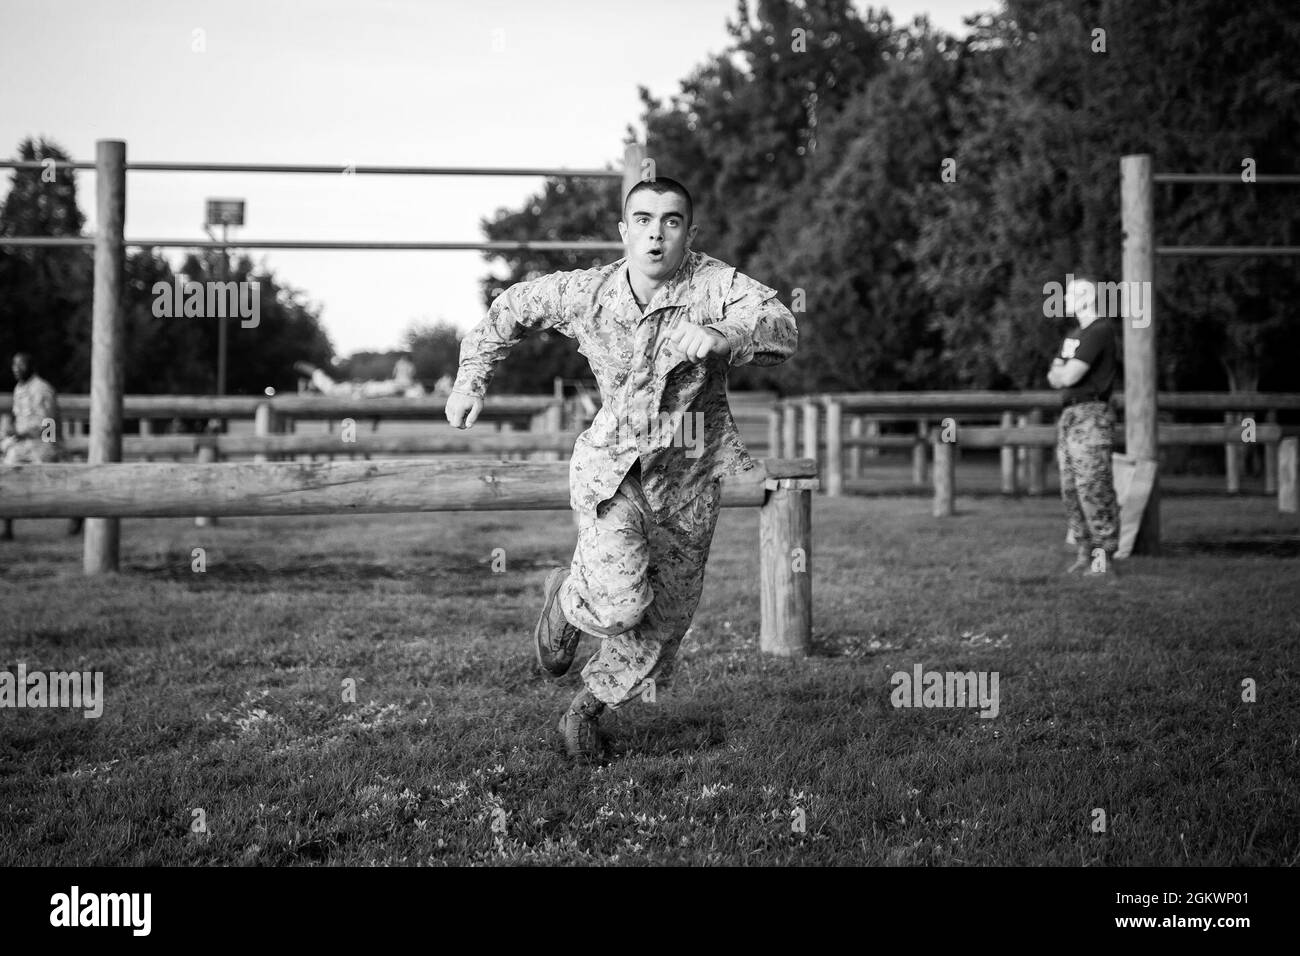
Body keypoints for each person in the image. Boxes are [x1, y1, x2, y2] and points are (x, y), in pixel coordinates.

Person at [446, 176, 798, 762]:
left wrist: (722, 334)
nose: (656, 233)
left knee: (664, 621)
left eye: (671, 221)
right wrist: (469, 380)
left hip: (688, 480)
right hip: (613, 472)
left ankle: (585, 712)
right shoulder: (588, 292)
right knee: (620, 604)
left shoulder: (715, 286)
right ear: (623, 230)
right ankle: (568, 601)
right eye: (642, 219)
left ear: (689, 231)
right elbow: (510, 308)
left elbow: (782, 325)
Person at [1047, 277, 1119, 577]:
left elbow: (1070, 375)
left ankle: (1103, 560)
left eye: (1073, 294)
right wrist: (1062, 372)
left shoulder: (1100, 330)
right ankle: (1083, 554)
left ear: (1088, 298)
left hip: (1092, 416)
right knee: (1071, 490)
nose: (1065, 299)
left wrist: (1064, 371)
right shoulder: (1073, 336)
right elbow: (1054, 377)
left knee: (1094, 487)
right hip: (1069, 416)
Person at [1, 352, 81, 539]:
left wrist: (48, 446)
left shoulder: (42, 389)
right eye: (14, 365)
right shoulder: (19, 388)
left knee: (51, 483)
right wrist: (11, 431)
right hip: (22, 444)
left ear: (31, 367)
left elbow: (50, 423)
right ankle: (7, 526)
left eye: (20, 365)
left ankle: (76, 510)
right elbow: (19, 417)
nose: (16, 369)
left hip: (41, 443)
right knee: (6, 478)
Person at [294, 354, 426, 398]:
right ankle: (316, 374)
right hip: (361, 389)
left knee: (332, 390)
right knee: (332, 390)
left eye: (404, 366)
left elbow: (415, 393)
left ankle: (316, 374)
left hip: (361, 390)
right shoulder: (409, 387)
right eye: (399, 366)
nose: (401, 368)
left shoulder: (410, 388)